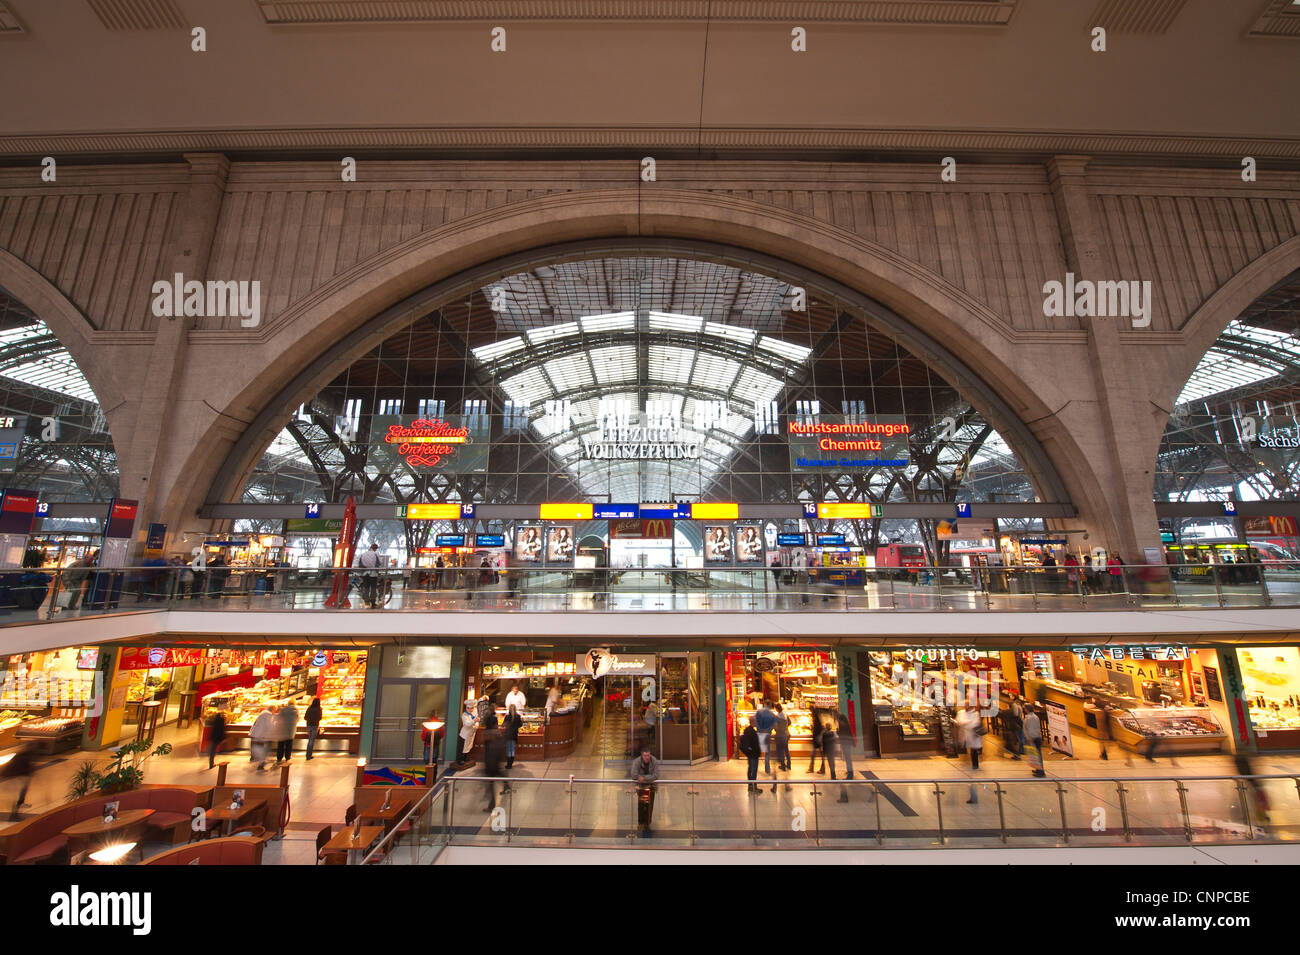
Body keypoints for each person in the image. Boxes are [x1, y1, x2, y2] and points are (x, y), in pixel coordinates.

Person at [630, 745, 660, 836]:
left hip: (651, 786)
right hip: (641, 786)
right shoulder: (637, 762)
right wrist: (645, 778)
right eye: (645, 756)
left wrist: (644, 778)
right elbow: (634, 775)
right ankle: (640, 823)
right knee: (641, 804)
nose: (647, 757)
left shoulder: (654, 761)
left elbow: (656, 775)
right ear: (642, 756)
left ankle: (647, 823)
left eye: (648, 755)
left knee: (649, 805)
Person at [5, 741, 36, 820]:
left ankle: (15, 812)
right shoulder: (25, 756)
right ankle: (14, 814)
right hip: (17, 778)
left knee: (19, 795)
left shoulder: (21, 755)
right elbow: (26, 768)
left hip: (16, 778)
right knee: (18, 796)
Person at [480, 723, 507, 812]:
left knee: (491, 786)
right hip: (493, 767)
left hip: (491, 768)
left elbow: (492, 757)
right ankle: (507, 785)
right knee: (499, 775)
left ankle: (492, 805)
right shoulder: (497, 743)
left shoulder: (493, 745)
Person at [834, 708, 856, 800]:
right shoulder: (843, 719)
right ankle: (849, 772)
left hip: (846, 742)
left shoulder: (841, 721)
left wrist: (838, 731)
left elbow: (843, 731)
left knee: (848, 758)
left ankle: (850, 774)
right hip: (847, 741)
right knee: (847, 758)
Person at [753, 699, 777, 777]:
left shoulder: (759, 712)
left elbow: (755, 721)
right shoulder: (772, 714)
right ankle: (767, 769)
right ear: (770, 705)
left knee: (757, 751)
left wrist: (760, 729)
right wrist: (767, 730)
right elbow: (774, 725)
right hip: (767, 734)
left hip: (759, 733)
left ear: (764, 704)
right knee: (767, 752)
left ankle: (754, 768)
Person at [354, 543, 382, 608]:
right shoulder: (376, 554)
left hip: (365, 573)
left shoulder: (363, 554)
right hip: (373, 573)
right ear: (375, 548)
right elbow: (380, 563)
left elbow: (360, 563)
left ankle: (367, 602)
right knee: (373, 588)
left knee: (366, 588)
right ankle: (373, 603)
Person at [250, 705, 276, 771]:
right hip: (260, 734)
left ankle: (260, 761)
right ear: (272, 709)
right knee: (262, 749)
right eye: (275, 710)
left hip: (256, 733)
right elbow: (269, 725)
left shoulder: (263, 713)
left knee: (258, 747)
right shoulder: (268, 714)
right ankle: (261, 762)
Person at [739, 718, 762, 793]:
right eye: (756, 721)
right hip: (753, 754)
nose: (756, 722)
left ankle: (750, 785)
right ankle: (753, 786)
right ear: (753, 722)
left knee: (750, 769)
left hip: (750, 754)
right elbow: (753, 743)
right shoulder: (751, 731)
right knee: (753, 770)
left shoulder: (747, 730)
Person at [274, 699, 299, 765]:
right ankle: (287, 758)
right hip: (291, 730)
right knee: (289, 745)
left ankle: (279, 758)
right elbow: (298, 719)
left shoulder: (283, 709)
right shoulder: (296, 711)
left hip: (282, 730)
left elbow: (278, 717)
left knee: (281, 745)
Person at [1023, 705, 1045, 777]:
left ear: (1027, 710)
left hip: (1034, 738)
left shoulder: (1031, 718)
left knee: (1037, 755)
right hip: (1034, 737)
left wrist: (1030, 739)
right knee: (1034, 755)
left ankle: (1041, 771)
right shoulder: (1033, 717)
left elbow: (1031, 729)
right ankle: (1038, 768)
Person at [456, 699, 478, 765]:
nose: (470, 710)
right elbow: (467, 724)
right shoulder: (464, 715)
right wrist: (474, 721)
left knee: (468, 746)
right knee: (463, 747)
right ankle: (460, 760)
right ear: (467, 708)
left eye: (472, 708)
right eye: (469, 708)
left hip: (471, 734)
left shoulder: (475, 713)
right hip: (465, 735)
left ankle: (465, 758)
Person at [502, 703, 523, 771]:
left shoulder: (507, 717)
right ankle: (511, 762)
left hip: (508, 734)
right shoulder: (518, 716)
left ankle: (509, 764)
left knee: (508, 749)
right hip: (514, 734)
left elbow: (503, 724)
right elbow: (520, 725)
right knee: (512, 749)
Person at [772, 702, 791, 772]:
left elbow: (775, 727)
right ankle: (789, 764)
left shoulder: (778, 717)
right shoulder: (785, 714)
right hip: (786, 734)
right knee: (786, 750)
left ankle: (783, 766)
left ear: (777, 709)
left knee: (781, 751)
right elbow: (790, 722)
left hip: (780, 735)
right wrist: (786, 728)